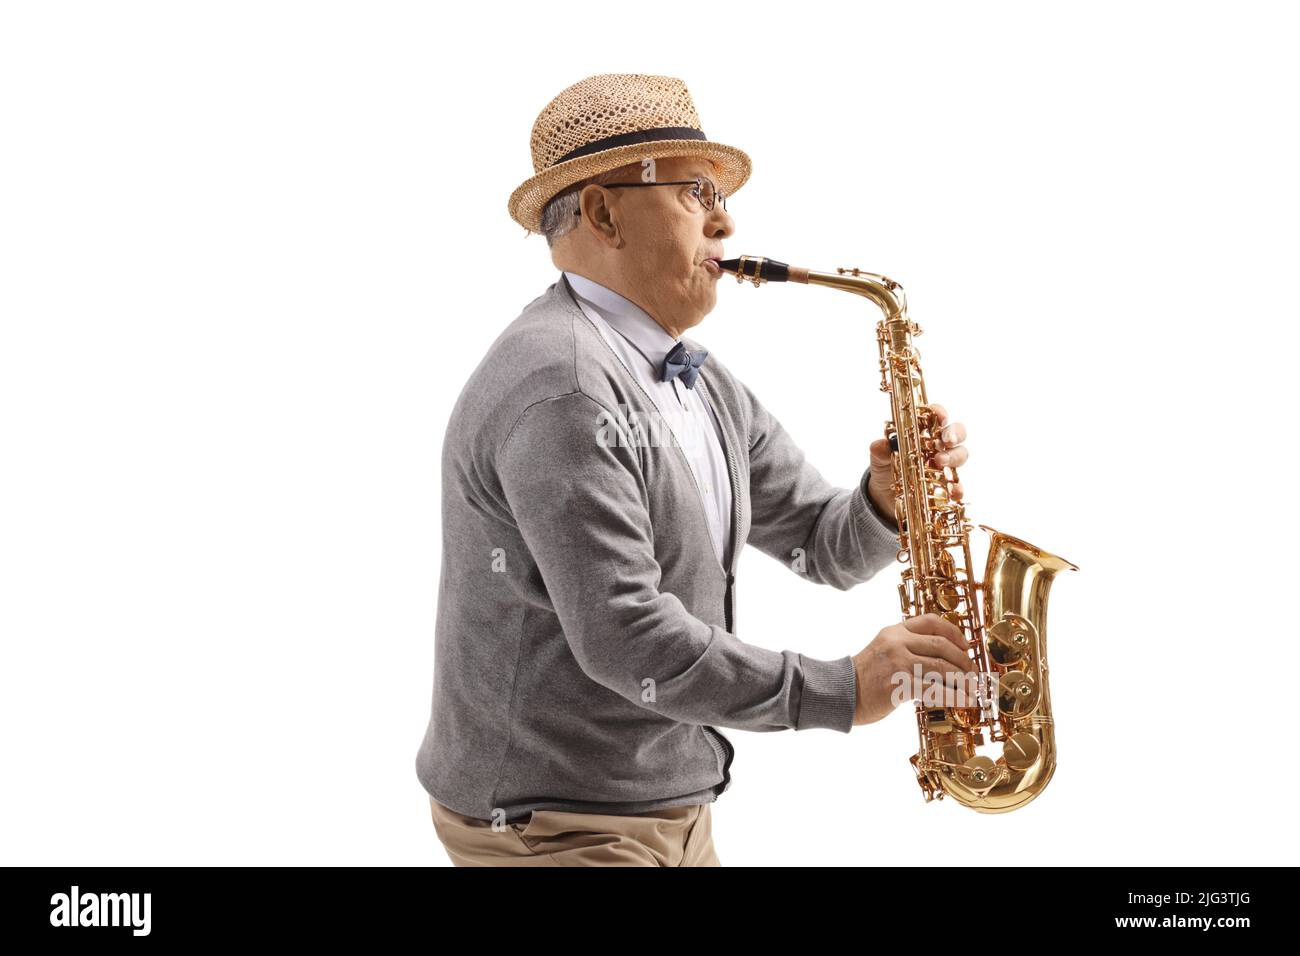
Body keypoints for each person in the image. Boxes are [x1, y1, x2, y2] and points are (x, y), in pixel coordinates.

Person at [415, 74, 975, 866]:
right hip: (554, 824)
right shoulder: (562, 386)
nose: (727, 217)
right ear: (605, 211)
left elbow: (823, 542)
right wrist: (845, 687)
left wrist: (887, 497)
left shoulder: (697, 380)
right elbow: (628, 639)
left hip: (666, 809)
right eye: (695, 193)